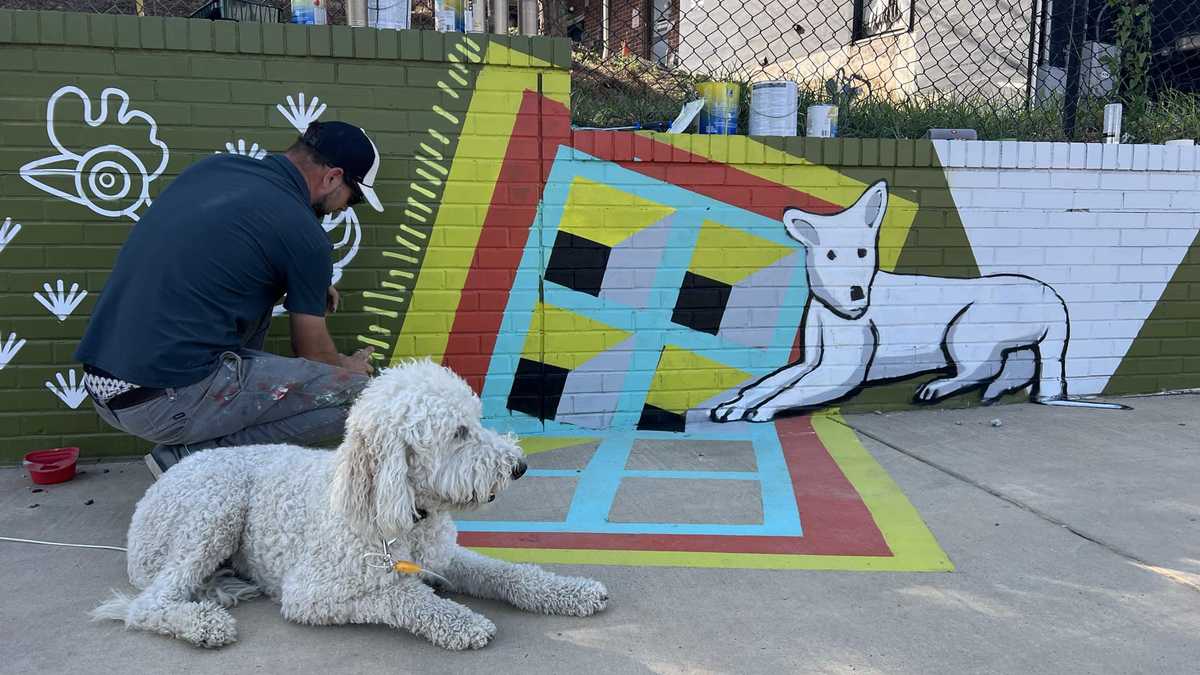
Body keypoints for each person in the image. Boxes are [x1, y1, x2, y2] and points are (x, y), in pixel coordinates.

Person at [75, 121, 384, 478]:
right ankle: (193, 456)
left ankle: (203, 453)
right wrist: (347, 367)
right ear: (332, 178)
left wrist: (303, 284)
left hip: (107, 386)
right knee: (361, 399)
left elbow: (213, 262)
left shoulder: (215, 169)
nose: (346, 208)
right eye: (354, 196)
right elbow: (314, 357)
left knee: (257, 304)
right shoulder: (305, 232)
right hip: (163, 399)